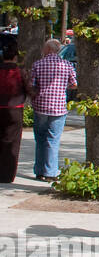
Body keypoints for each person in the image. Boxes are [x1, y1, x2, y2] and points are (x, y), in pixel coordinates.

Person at [28, 38, 77, 181]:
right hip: (58, 107)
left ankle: (39, 170)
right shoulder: (66, 65)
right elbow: (74, 84)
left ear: (48, 49)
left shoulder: (38, 64)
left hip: (41, 105)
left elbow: (31, 84)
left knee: (40, 139)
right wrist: (62, 87)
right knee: (53, 139)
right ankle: (50, 172)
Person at [0, 36, 28, 183]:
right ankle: (7, 174)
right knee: (12, 142)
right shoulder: (20, 71)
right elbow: (29, 89)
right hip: (14, 109)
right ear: (15, 56)